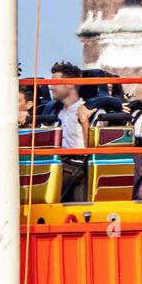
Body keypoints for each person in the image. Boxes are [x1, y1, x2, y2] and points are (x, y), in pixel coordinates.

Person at [50, 61, 87, 200]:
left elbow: (93, 147)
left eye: (55, 82)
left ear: (71, 84)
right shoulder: (54, 111)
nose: (51, 87)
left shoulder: (89, 109)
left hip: (78, 165)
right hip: (58, 161)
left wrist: (84, 121)